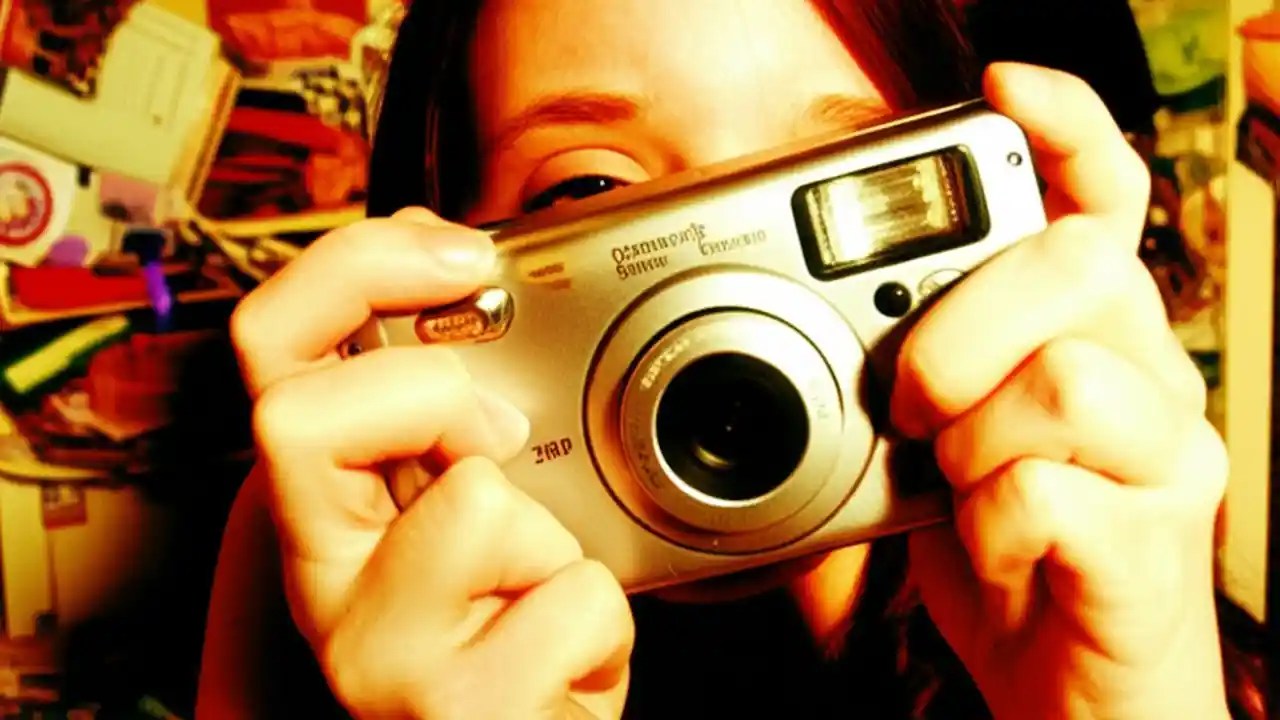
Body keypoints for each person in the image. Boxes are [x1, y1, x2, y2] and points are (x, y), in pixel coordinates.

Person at [196, 0, 1266, 717]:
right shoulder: (335, 558)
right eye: (588, 195)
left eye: (846, 162)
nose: (715, 317)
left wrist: (1130, 698)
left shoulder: (1111, 573)